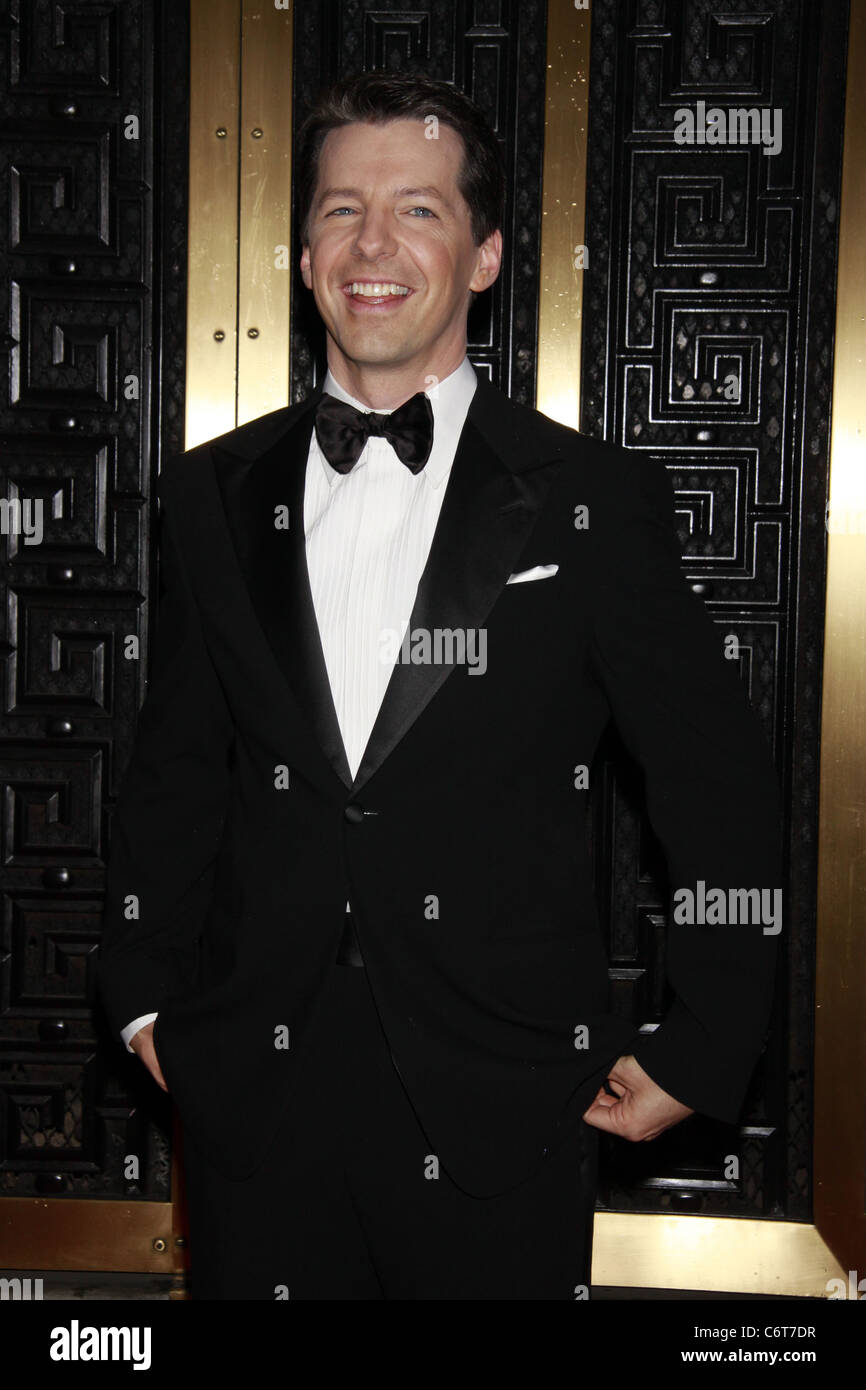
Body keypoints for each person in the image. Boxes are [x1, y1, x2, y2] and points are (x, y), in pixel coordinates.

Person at [98, 71, 783, 1300]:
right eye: (338, 210)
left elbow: (714, 787)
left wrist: (707, 1039)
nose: (370, 245)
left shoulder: (591, 501)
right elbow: (175, 770)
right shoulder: (210, 494)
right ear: (301, 252)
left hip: (503, 1097)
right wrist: (145, 1001)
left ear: (481, 257)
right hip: (255, 1094)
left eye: (416, 210)